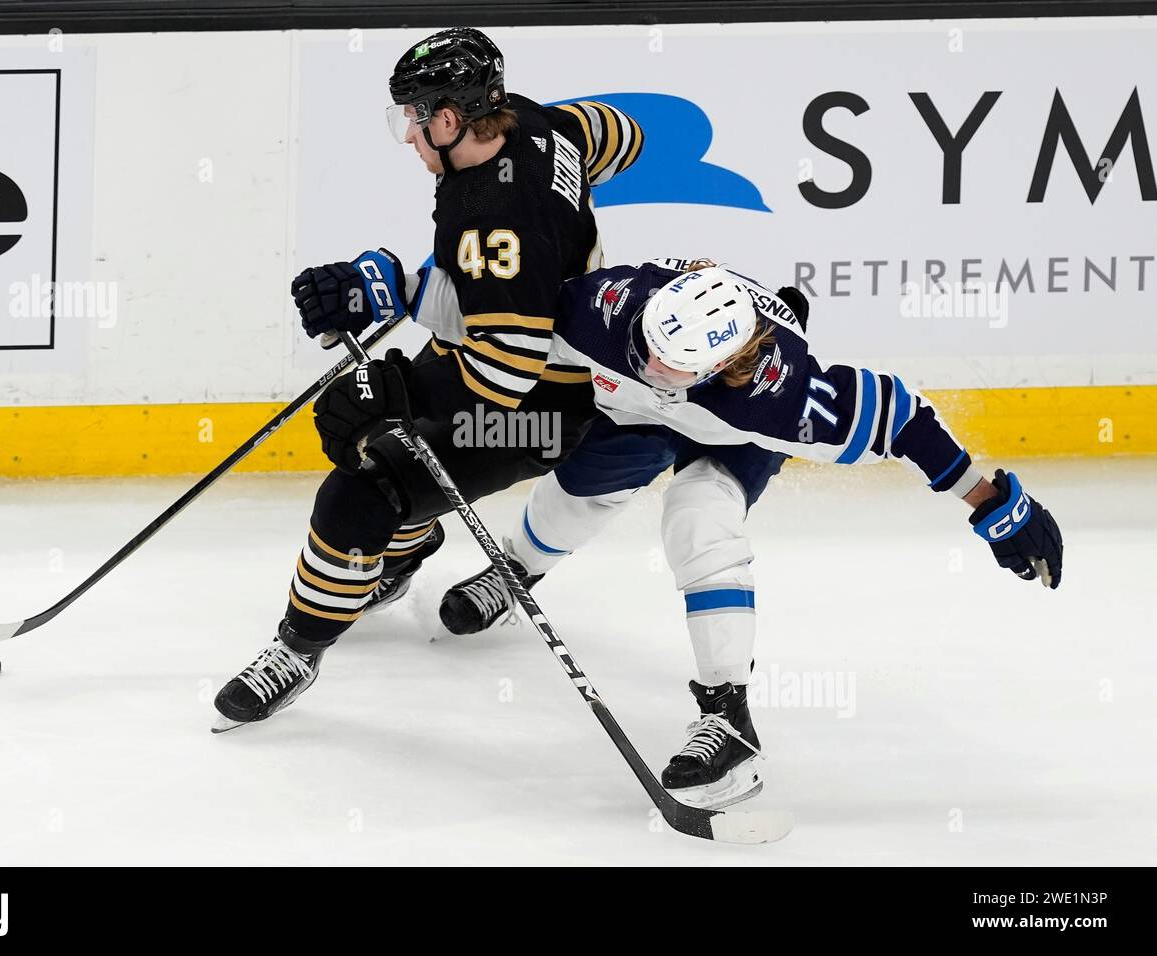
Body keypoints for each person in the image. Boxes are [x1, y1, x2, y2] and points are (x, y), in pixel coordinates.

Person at [417, 257, 1065, 808]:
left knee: (700, 517)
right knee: (581, 488)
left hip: (729, 431)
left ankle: (729, 722)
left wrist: (994, 505)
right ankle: (516, 570)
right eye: (647, 347)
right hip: (639, 416)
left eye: (670, 365)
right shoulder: (612, 310)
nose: (647, 363)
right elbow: (511, 311)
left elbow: (904, 417)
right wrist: (392, 289)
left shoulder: (777, 397)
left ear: (722, 367)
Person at [211, 28, 644, 731]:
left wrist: (400, 403)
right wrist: (386, 285)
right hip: (520, 360)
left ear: (449, 119)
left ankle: (297, 650)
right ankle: (405, 544)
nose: (408, 135)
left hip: (540, 410)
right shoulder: (535, 122)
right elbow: (619, 133)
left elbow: (505, 372)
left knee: (360, 486)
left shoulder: (491, 222)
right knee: (368, 441)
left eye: (413, 118)